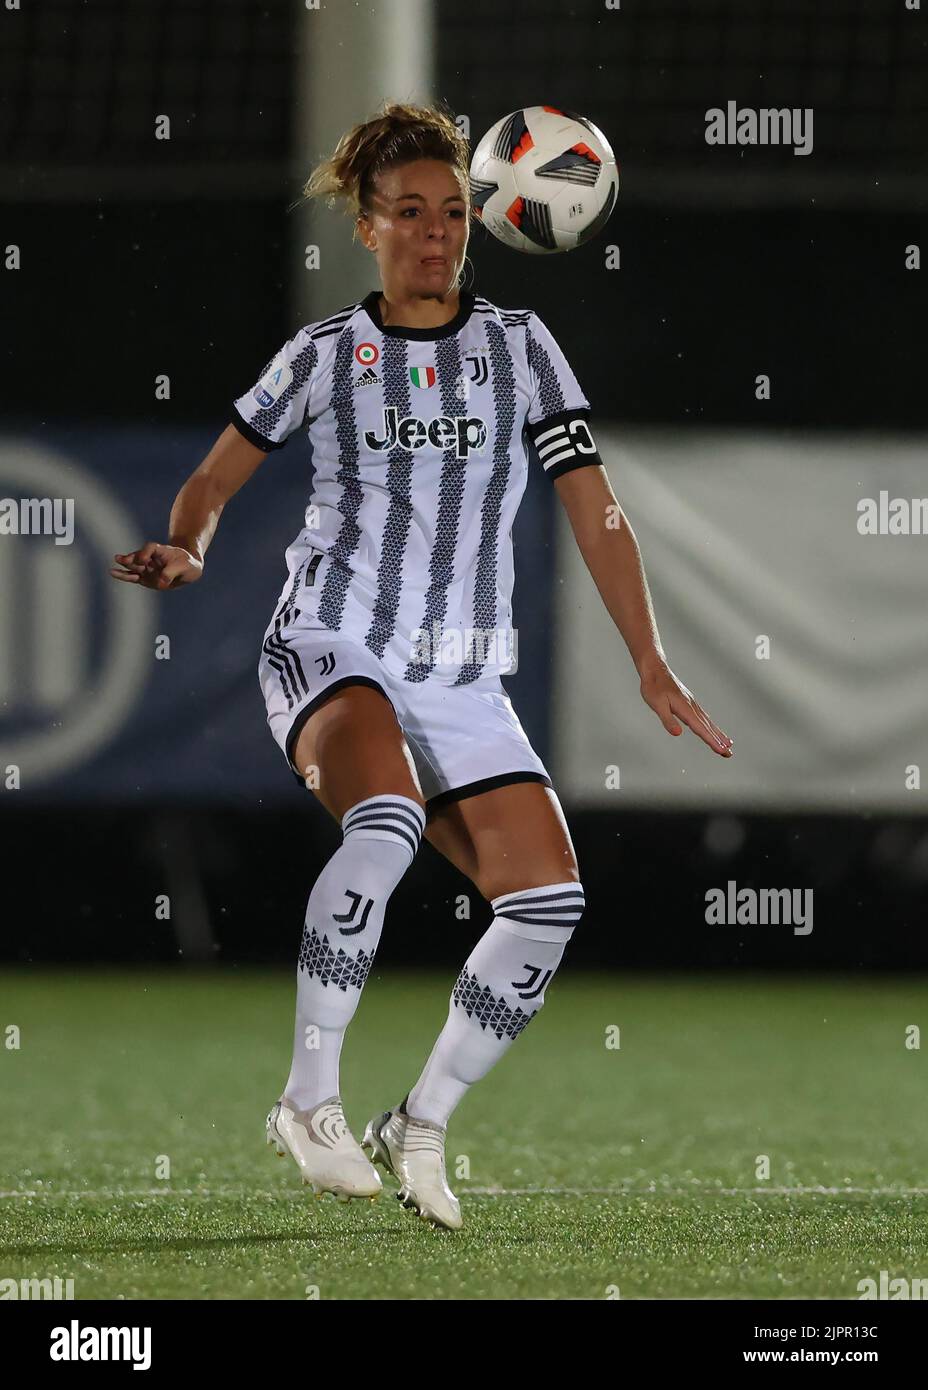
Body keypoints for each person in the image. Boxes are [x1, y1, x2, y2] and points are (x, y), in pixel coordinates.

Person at [110, 101, 732, 1230]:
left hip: (457, 670)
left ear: (478, 219)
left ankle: (421, 1121)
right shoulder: (322, 356)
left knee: (546, 902)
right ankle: (308, 1101)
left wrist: (650, 660)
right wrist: (189, 546)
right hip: (330, 639)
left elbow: (597, 514)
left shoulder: (522, 348)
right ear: (369, 228)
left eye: (453, 211)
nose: (436, 233)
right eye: (411, 213)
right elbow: (212, 479)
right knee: (385, 822)